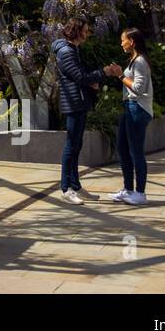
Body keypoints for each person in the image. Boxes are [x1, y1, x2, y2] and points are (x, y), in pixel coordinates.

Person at [53, 19, 106, 204]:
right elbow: (80, 77)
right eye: (84, 31)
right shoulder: (67, 51)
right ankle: (66, 189)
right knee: (71, 146)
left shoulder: (73, 50)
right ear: (76, 31)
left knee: (77, 145)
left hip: (79, 102)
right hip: (73, 103)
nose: (87, 34)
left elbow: (80, 75)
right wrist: (103, 72)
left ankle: (75, 185)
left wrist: (91, 80)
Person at [104, 28, 154, 205]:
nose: (121, 43)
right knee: (123, 149)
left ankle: (140, 193)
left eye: (123, 40)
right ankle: (128, 189)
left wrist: (119, 76)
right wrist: (120, 73)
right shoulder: (133, 60)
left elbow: (139, 88)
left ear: (132, 41)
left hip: (138, 108)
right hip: (129, 107)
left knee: (135, 151)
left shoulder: (140, 61)